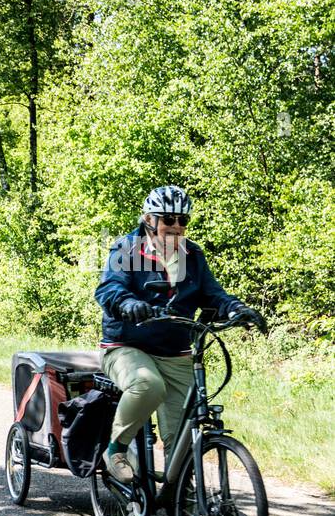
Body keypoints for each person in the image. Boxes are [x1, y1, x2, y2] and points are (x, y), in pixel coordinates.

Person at [94, 185, 266, 486]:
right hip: (127, 346)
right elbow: (109, 288)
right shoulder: (127, 250)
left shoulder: (192, 255)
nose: (176, 226)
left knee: (183, 432)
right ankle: (116, 450)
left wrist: (237, 309)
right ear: (149, 219)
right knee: (147, 385)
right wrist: (128, 303)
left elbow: (213, 295)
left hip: (175, 350)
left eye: (182, 221)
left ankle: (182, 508)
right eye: (168, 219)